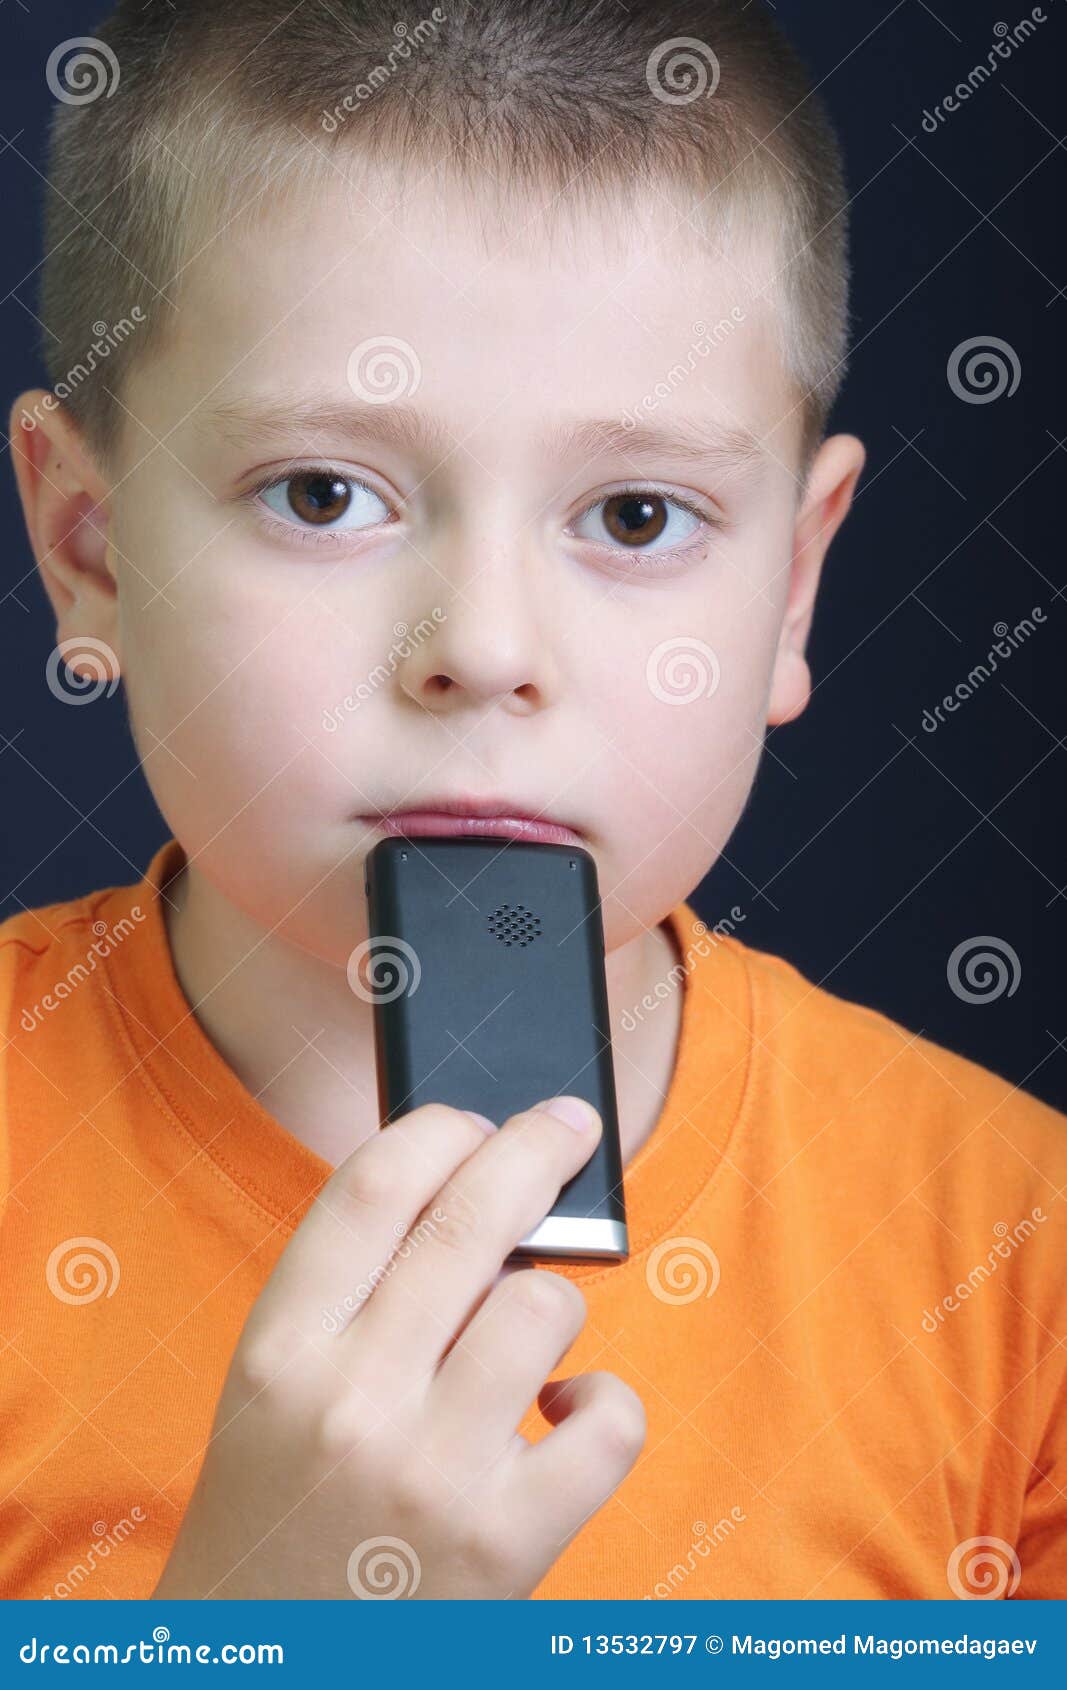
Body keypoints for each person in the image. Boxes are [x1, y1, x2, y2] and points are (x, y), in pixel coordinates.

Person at [2, 0, 1063, 1601]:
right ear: (91, 550)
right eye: (324, 493)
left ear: (790, 584)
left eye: (637, 513)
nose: (484, 649)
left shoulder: (1014, 1248)